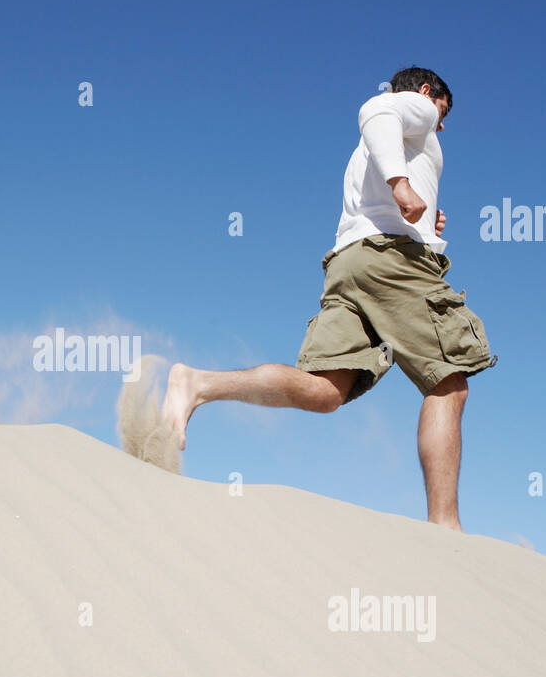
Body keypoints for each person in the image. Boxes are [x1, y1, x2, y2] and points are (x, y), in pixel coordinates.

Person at [157, 68, 496, 530]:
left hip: (350, 265)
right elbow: (375, 110)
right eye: (442, 113)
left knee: (323, 392)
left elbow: (381, 188)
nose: (440, 126)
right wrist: (401, 183)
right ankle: (446, 529)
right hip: (393, 260)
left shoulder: (374, 154)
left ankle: (197, 384)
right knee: (447, 381)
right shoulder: (410, 108)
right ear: (425, 93)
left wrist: (424, 221)